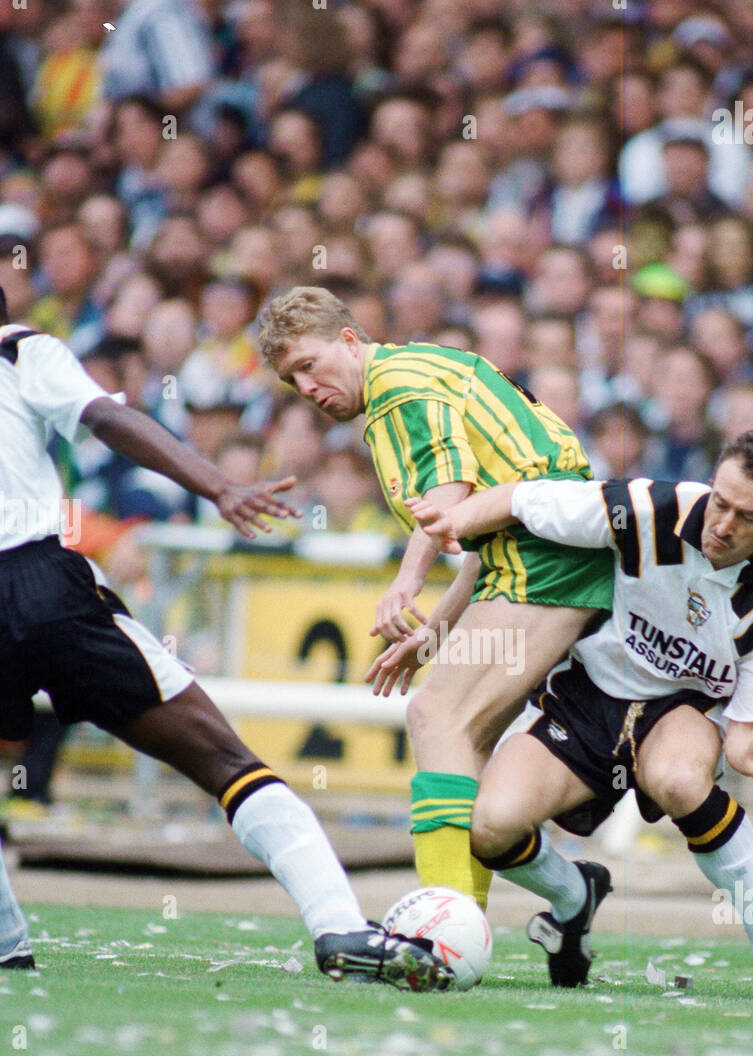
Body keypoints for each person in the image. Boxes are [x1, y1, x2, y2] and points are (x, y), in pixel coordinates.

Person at [0, 290, 450, 990]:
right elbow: (106, 417)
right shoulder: (19, 347)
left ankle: (8, 949)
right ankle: (338, 927)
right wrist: (217, 485)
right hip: (37, 584)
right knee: (223, 758)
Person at [407, 432, 753, 1003]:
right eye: (719, 502)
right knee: (488, 826)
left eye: (746, 516)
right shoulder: (648, 508)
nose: (722, 524)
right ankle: (575, 895)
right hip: (587, 698)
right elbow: (523, 499)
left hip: (680, 710)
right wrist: (454, 519)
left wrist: (752, 754)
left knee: (679, 780)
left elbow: (745, 736)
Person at [257, 286, 613, 930]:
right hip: (539, 548)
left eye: (308, 365)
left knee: (434, 713)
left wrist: (406, 582)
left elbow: (451, 494)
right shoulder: (413, 374)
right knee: (465, 761)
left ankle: (445, 932)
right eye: (291, 381)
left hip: (551, 552)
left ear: (348, 340)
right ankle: (563, 896)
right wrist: (435, 633)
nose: (306, 388)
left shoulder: (396, 384)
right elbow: (480, 529)